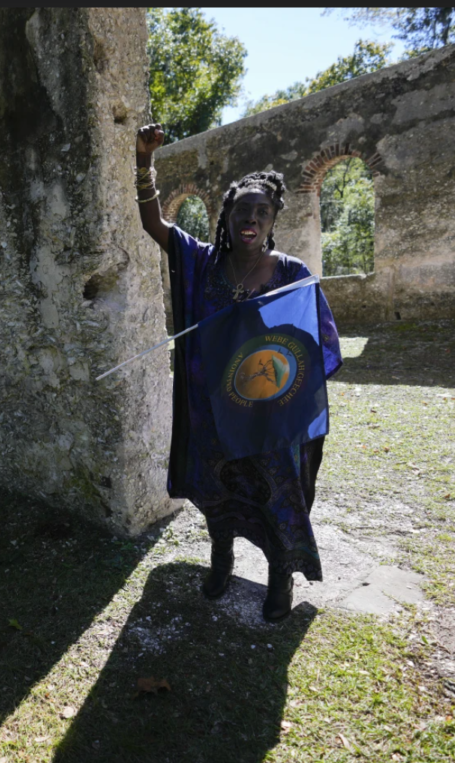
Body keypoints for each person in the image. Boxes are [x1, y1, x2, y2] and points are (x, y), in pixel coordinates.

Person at [134, 123, 342, 622]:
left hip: (268, 411)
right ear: (225, 217)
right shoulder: (202, 263)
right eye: (241, 210)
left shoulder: (290, 273)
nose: (250, 218)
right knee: (218, 491)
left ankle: (279, 577)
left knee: (275, 493)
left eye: (261, 212)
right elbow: (153, 225)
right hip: (211, 409)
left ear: (272, 221)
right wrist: (143, 163)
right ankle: (221, 561)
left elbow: (316, 341)